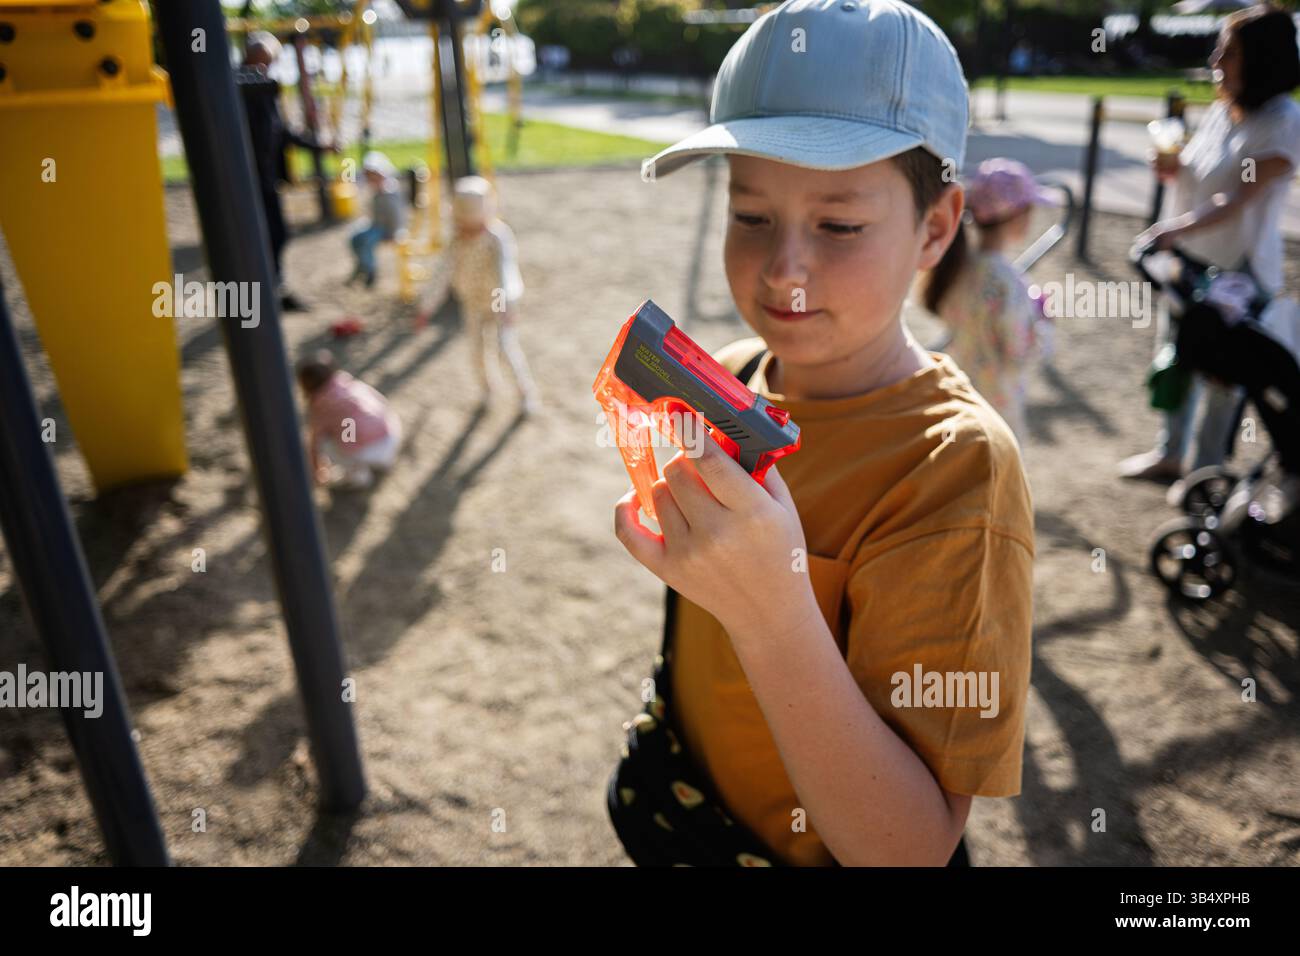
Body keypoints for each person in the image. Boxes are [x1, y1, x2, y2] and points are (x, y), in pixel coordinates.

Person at [607, 0, 1033, 867]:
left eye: (839, 225)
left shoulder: (954, 471)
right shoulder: (730, 374)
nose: (782, 269)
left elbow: (910, 847)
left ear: (937, 228)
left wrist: (773, 614)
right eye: (751, 214)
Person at [1120, 3, 1300, 496]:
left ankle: (1203, 478)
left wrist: (1173, 228)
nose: (1217, 56)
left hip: (1235, 271)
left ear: (1261, 58)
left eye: (1231, 50)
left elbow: (1238, 196)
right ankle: (1170, 452)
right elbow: (1202, 175)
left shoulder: (1283, 121)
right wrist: (1173, 172)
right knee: (1175, 354)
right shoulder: (1224, 110)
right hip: (1190, 257)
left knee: (1222, 379)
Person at [919, 157, 1053, 442]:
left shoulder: (958, 267)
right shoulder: (1007, 282)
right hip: (999, 402)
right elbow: (1020, 351)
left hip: (962, 389)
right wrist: (1041, 320)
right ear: (1018, 216)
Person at [416, 176, 542, 416]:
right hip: (472, 302)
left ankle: (526, 393)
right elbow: (442, 273)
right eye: (465, 224)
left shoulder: (497, 237)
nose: (470, 229)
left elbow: (506, 269)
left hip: (499, 303)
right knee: (477, 351)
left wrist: (506, 305)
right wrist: (426, 307)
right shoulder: (456, 240)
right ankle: (488, 390)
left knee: (506, 348)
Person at [236, 31, 333, 313]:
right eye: (261, 62)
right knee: (257, 236)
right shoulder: (238, 88)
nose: (265, 69)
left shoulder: (263, 90)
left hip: (265, 178)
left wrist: (318, 145)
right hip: (245, 179)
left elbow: (280, 132)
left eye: (269, 63)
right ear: (248, 58)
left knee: (277, 233)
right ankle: (259, 293)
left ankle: (272, 287)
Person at [297, 351, 402, 491]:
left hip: (370, 449)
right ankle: (382, 462)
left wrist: (316, 470)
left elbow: (314, 443)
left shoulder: (321, 407)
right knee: (350, 430)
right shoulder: (350, 384)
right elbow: (382, 402)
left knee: (326, 442)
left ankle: (358, 476)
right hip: (391, 434)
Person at [348, 152, 407, 288]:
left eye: (372, 176)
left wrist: (393, 234)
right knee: (354, 237)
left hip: (388, 229)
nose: (370, 180)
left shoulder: (389, 192)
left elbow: (397, 216)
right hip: (378, 225)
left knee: (366, 242)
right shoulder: (378, 189)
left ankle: (370, 270)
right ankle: (362, 265)